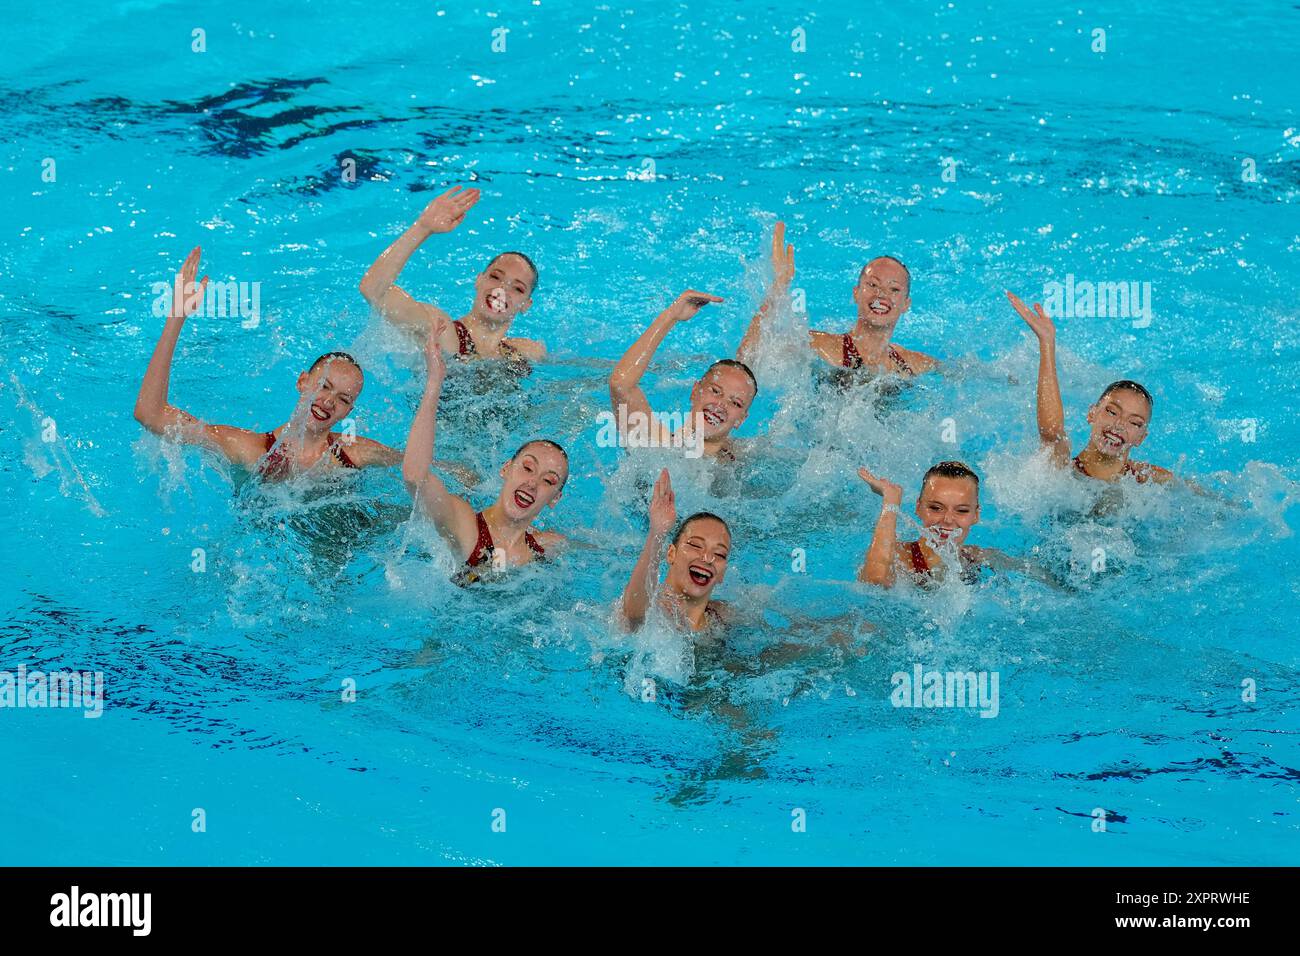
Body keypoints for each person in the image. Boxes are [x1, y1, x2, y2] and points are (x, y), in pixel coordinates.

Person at [135, 246, 403, 480]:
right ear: (302, 382)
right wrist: (175, 320)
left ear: (348, 411)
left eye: (343, 399)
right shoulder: (250, 449)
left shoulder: (354, 454)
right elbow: (150, 414)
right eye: (324, 386)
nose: (329, 401)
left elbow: (429, 468)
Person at [403, 319, 568, 584]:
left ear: (555, 498)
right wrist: (434, 382)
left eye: (548, 480)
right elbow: (415, 478)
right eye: (527, 467)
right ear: (506, 469)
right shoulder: (467, 528)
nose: (532, 483)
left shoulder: (547, 547)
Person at [360, 185, 544, 366]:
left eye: (518, 288)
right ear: (479, 281)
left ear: (526, 305)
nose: (501, 289)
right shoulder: (444, 334)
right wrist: (423, 227)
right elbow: (373, 290)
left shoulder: (526, 352)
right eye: (495, 277)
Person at [1006, 290, 1173, 484]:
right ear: (1092, 414)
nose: (1119, 424)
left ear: (1141, 438)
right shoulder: (1065, 472)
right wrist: (1047, 342)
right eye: (1112, 411)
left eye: (1134, 422)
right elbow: (1052, 433)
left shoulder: (1150, 480)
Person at [738, 221, 938, 376]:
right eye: (873, 284)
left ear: (906, 304)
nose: (881, 294)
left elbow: (961, 374)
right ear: (856, 294)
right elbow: (747, 360)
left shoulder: (911, 364)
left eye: (894, 289)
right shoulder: (822, 347)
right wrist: (779, 285)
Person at [608, 291, 758, 461]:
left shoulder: (748, 456)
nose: (720, 405)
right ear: (695, 391)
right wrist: (671, 316)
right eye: (715, 391)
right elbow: (621, 384)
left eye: (736, 403)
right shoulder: (659, 446)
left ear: (741, 419)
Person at [856, 460, 1054, 587]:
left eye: (961, 511)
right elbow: (874, 582)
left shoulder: (974, 558)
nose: (948, 520)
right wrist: (891, 501)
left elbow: (1041, 576)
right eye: (936, 508)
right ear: (918, 508)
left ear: (975, 515)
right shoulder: (902, 557)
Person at [617, 469, 733, 632]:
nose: (707, 558)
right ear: (671, 554)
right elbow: (633, 614)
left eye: (719, 554)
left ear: (722, 573)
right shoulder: (655, 611)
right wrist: (657, 533)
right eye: (695, 545)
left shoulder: (721, 616)